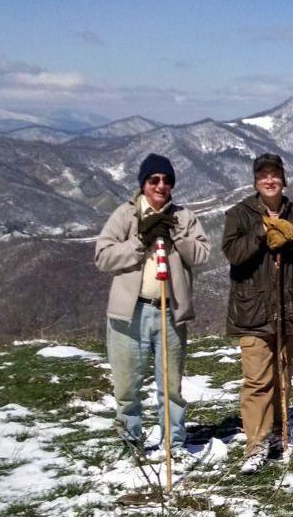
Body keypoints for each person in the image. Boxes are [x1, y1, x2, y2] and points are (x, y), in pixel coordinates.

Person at [95, 153, 210, 459]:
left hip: (169, 311)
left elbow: (201, 255)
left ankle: (173, 444)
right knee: (127, 385)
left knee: (170, 385)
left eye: (167, 180)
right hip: (129, 313)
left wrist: (176, 236)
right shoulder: (125, 215)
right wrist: (139, 242)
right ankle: (130, 445)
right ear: (143, 184)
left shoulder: (183, 217)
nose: (161, 186)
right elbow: (103, 256)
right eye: (154, 180)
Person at [222, 153, 293, 473]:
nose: (269, 180)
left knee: (283, 377)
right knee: (257, 380)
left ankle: (279, 432)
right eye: (263, 175)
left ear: (283, 178)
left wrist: (290, 240)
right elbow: (234, 255)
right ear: (255, 181)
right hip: (253, 310)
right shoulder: (239, 214)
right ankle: (256, 442)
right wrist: (262, 235)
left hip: (290, 308)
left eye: (274, 175)